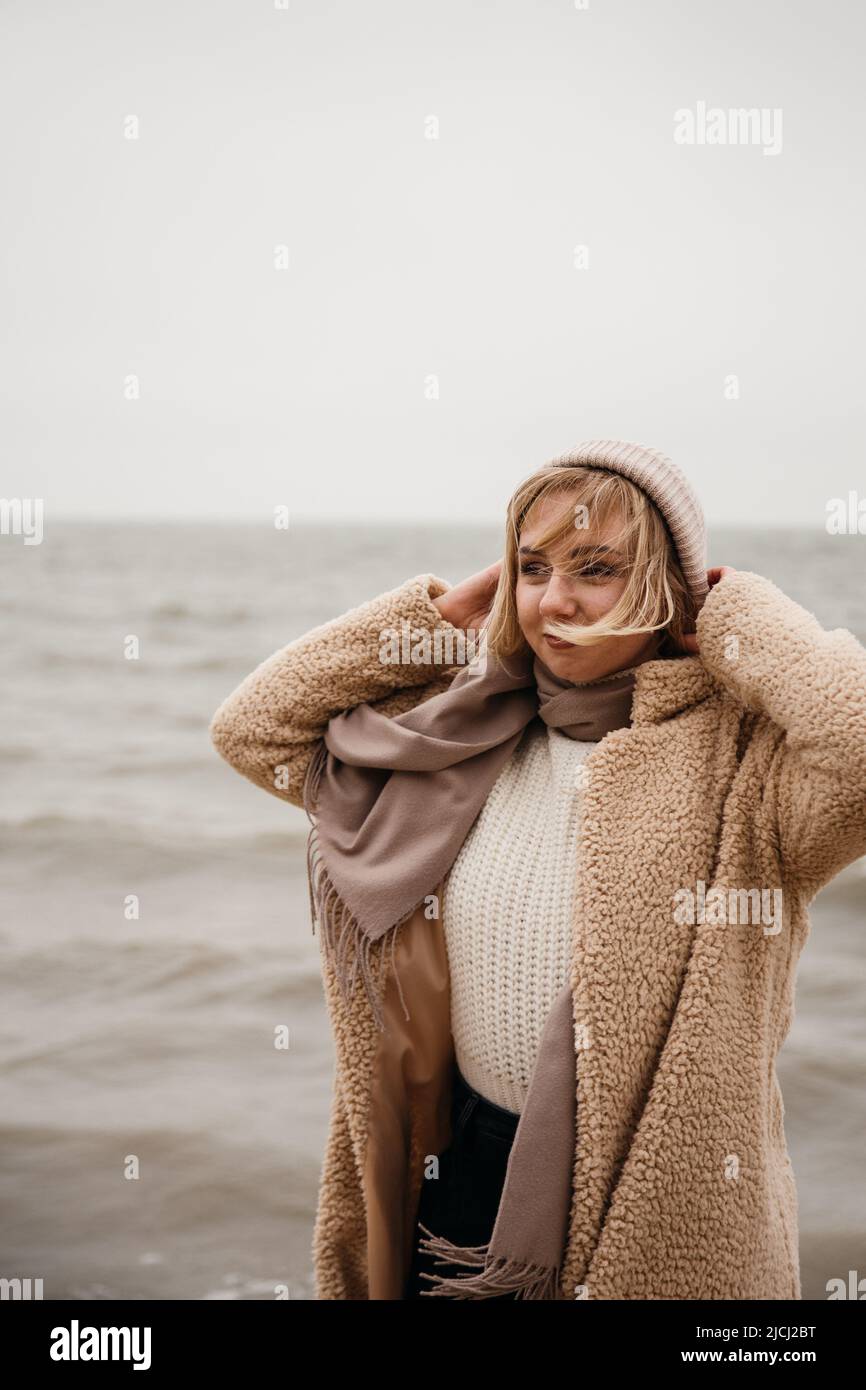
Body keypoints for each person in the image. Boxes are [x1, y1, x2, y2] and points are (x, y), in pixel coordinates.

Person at [209, 440, 866, 1300]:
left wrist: (738, 613)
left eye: (597, 569)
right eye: (531, 568)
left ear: (667, 587)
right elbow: (253, 729)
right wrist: (434, 623)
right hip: (459, 1170)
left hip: (645, 1196)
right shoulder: (461, 729)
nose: (554, 601)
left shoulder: (748, 766)